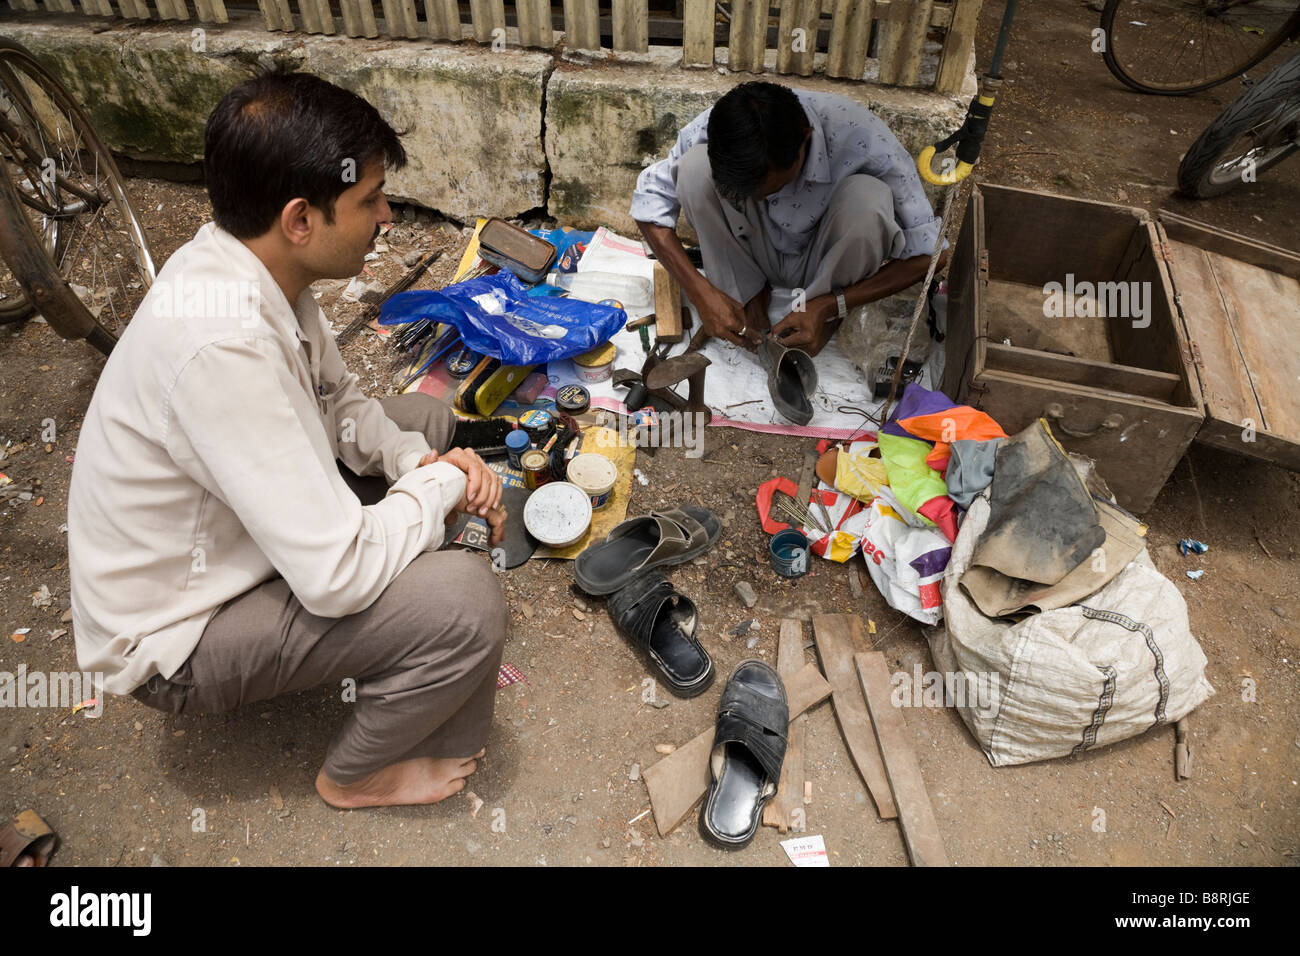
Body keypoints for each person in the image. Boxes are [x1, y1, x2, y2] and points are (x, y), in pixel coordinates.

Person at [67, 71, 508, 810]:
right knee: (465, 601)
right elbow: (335, 575)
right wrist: (443, 487)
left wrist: (419, 465)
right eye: (368, 199)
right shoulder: (221, 346)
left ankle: (409, 629)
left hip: (238, 540)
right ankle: (355, 774)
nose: (387, 216)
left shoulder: (253, 267)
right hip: (176, 639)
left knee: (420, 428)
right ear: (300, 219)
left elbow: (339, 400)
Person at [632, 81, 948, 357]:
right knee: (693, 170)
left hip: (825, 261)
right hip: (754, 251)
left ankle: (821, 317)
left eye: (774, 187)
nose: (761, 199)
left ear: (805, 141)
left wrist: (830, 305)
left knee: (869, 197)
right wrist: (699, 291)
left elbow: (932, 255)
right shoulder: (718, 127)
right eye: (749, 195)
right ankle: (751, 297)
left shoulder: (864, 138)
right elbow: (648, 203)